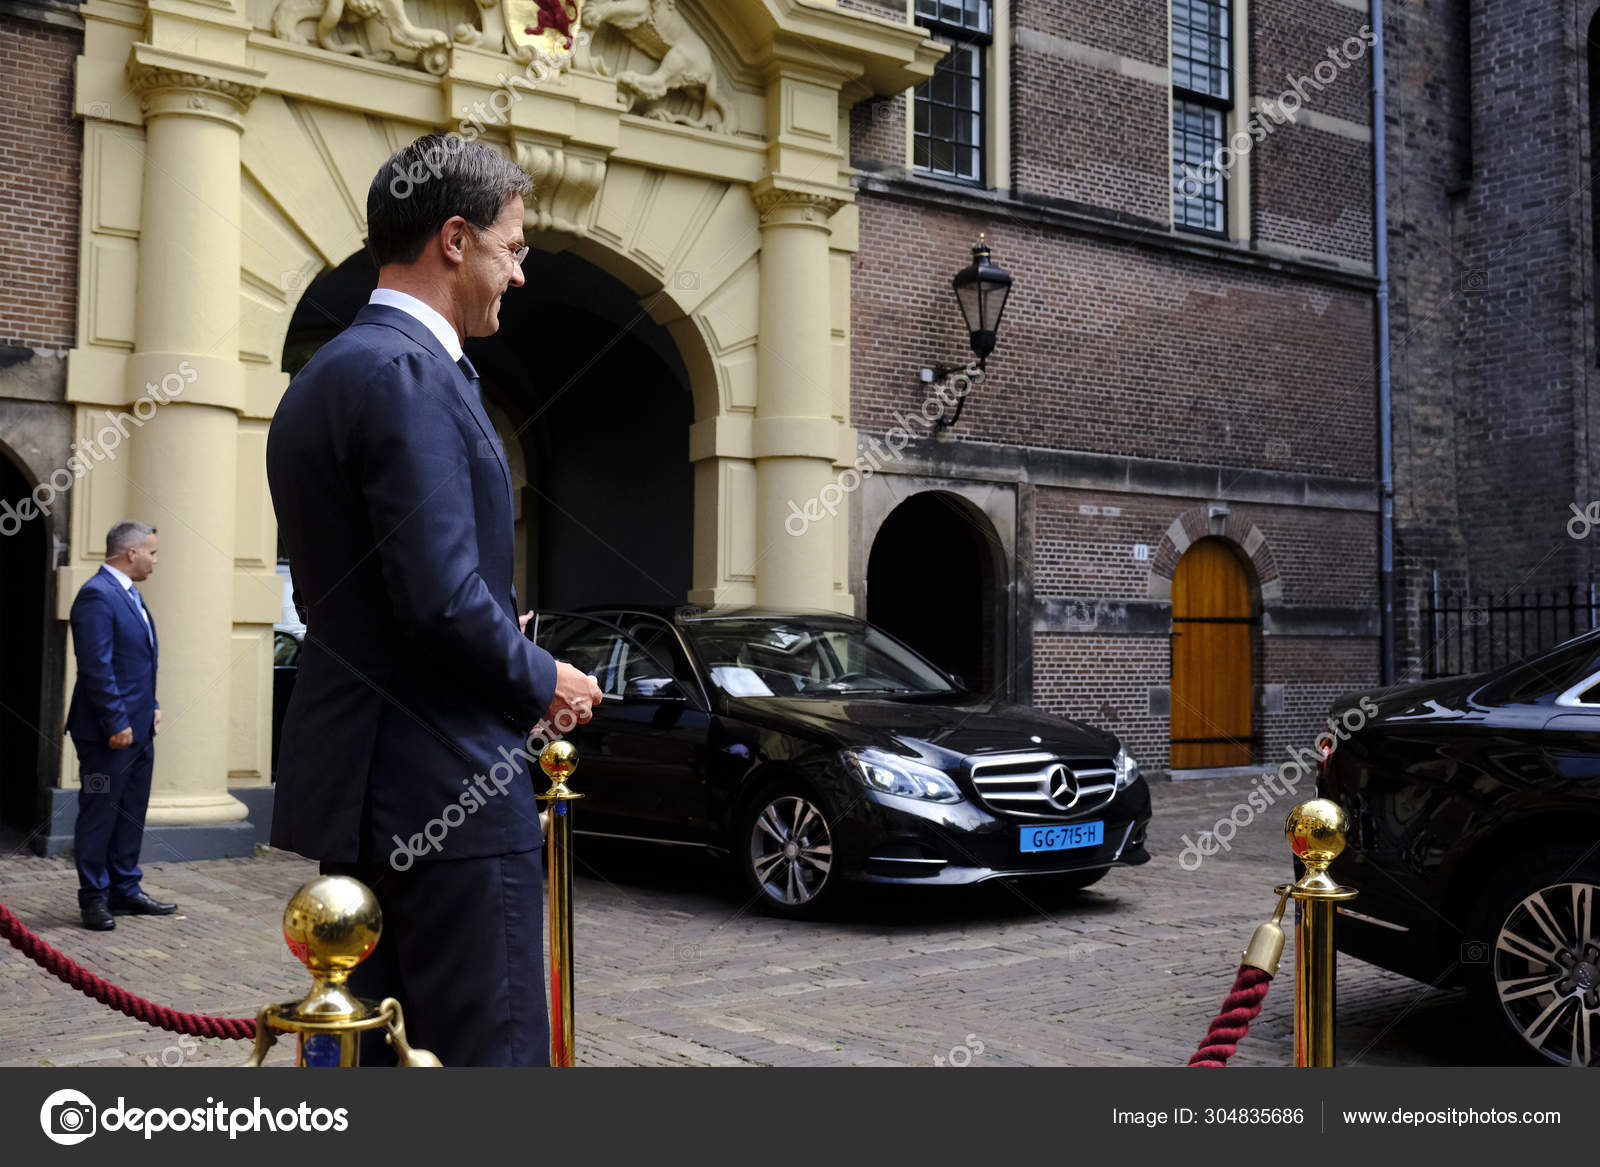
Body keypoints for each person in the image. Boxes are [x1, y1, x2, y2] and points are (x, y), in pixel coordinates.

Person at [265, 134, 603, 1067]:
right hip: (448, 781)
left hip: (367, 786)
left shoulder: (328, 372)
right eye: (514, 247)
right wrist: (545, 675)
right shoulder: (412, 374)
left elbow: (372, 589)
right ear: (455, 239)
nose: (521, 275)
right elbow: (442, 599)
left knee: (373, 1062)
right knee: (486, 1058)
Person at [65, 520, 175, 931]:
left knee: (130, 812)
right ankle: (93, 897)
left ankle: (125, 889)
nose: (154, 560)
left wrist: (153, 706)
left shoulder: (130, 595)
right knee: (100, 812)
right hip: (106, 735)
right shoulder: (97, 595)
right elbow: (97, 667)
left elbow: (137, 665)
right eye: (152, 552)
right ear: (131, 553)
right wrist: (116, 721)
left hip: (139, 730)